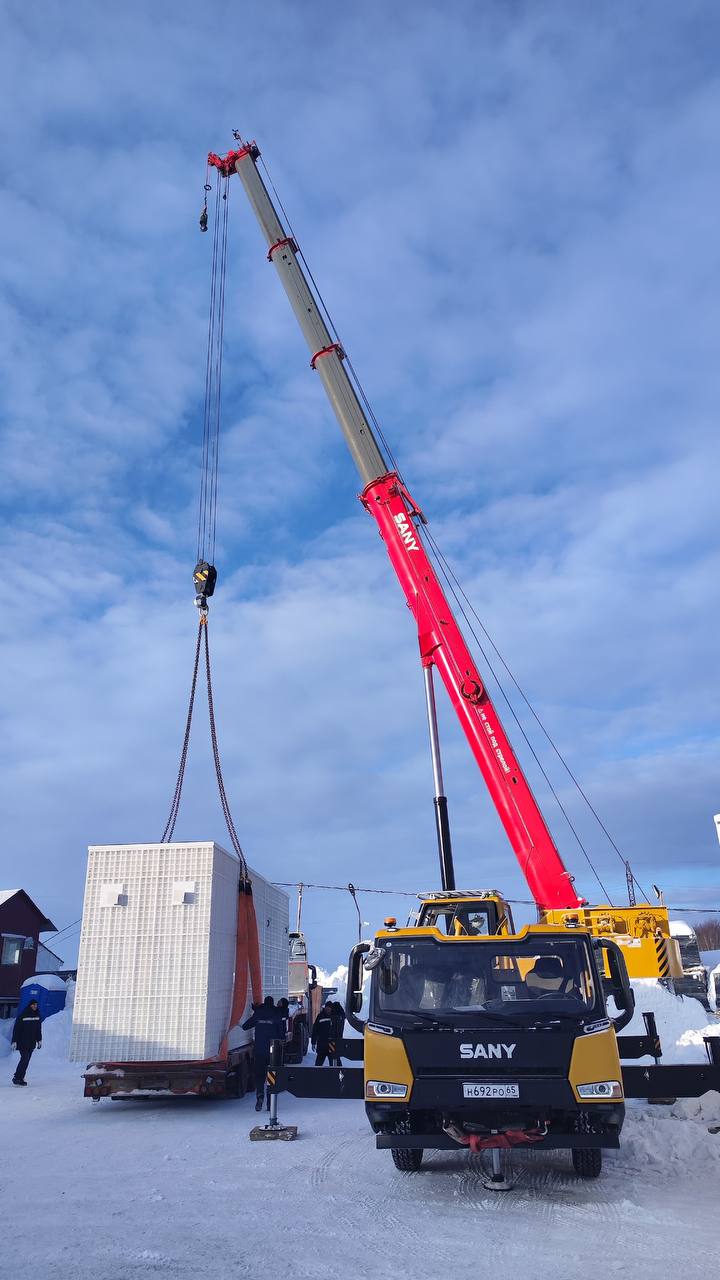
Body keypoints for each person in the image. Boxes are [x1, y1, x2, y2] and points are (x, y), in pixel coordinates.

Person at [242, 995, 285, 1111]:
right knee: (271, 1077)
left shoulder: (258, 1014)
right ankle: (270, 1103)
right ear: (272, 1004)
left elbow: (245, 1026)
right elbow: (282, 1035)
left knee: (259, 1076)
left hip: (259, 1051)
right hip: (272, 1052)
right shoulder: (277, 1015)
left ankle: (260, 1096)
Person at [11, 998, 43, 1086]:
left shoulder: (37, 1015)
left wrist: (39, 1040)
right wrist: (14, 1041)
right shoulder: (23, 1015)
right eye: (33, 1005)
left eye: (36, 1005)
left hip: (31, 1043)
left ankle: (20, 1077)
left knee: (27, 1060)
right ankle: (17, 1077)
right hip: (22, 1042)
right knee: (24, 1059)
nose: (35, 1006)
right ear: (30, 1005)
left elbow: (38, 1030)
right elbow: (16, 1029)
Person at [311, 1002, 334, 1066]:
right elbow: (315, 1030)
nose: (328, 1009)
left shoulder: (334, 1016)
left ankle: (335, 1075)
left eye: (329, 1008)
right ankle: (316, 1075)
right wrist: (313, 1042)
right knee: (318, 1065)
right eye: (327, 1008)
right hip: (322, 1044)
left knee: (334, 1065)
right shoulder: (320, 1016)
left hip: (332, 1044)